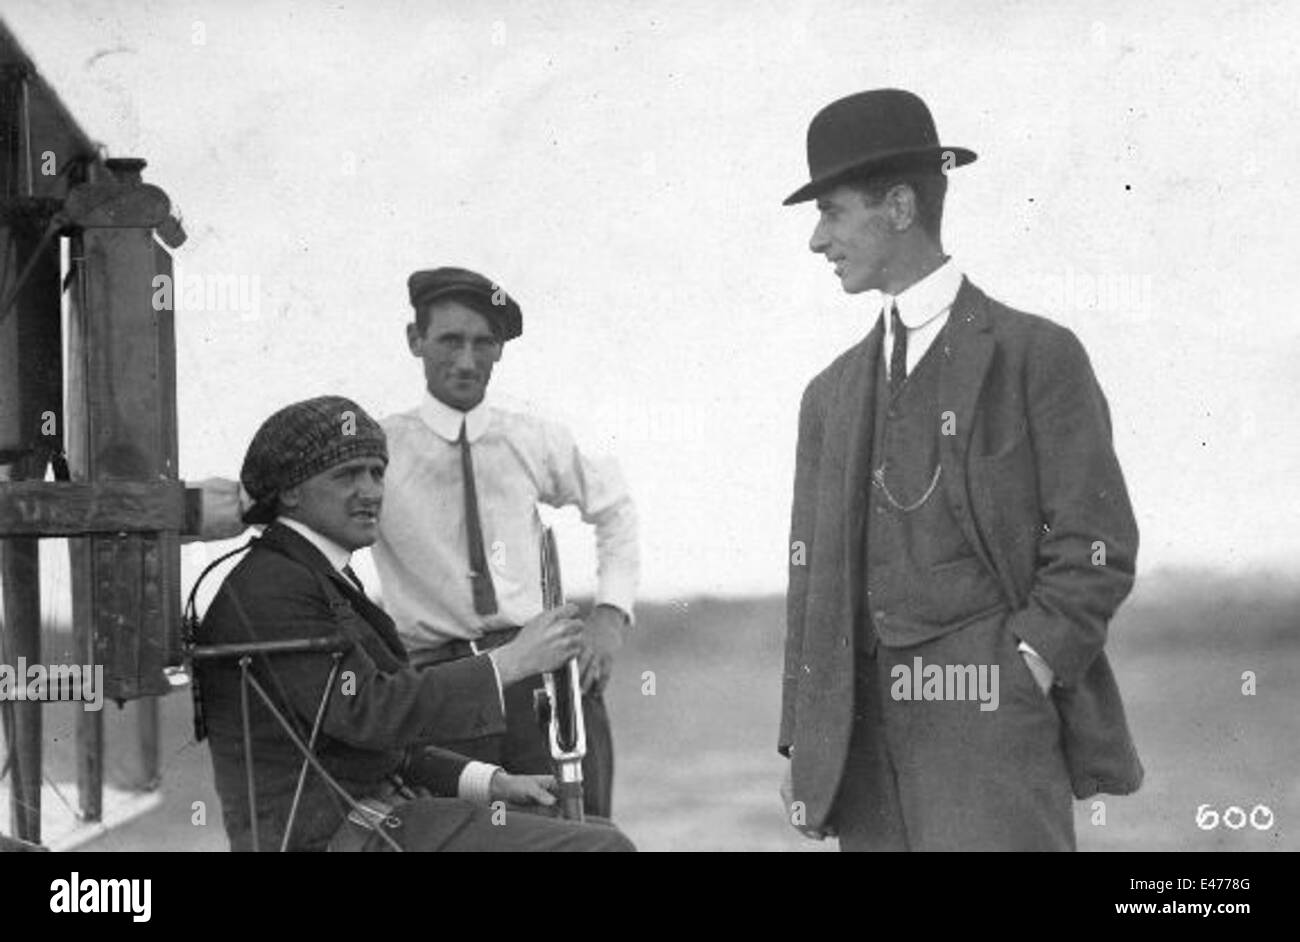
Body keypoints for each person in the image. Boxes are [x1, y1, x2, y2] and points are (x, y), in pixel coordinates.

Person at [778, 89, 1143, 851]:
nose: (818, 239)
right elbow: (810, 585)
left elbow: (1096, 543)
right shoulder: (829, 396)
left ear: (901, 206)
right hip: (862, 745)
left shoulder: (1034, 356)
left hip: (990, 717)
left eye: (834, 211)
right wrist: (804, 742)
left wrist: (1025, 671)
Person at [197, 395, 633, 851]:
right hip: (332, 835)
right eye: (346, 475)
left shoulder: (311, 574)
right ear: (290, 491)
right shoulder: (276, 586)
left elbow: (377, 740)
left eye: (376, 472)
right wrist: (510, 661)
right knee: (598, 850)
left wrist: (494, 783)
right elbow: (372, 713)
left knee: (599, 833)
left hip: (372, 816)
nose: (370, 491)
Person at [371, 267, 638, 818]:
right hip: (441, 690)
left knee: (577, 837)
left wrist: (610, 616)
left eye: (483, 343)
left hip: (543, 686)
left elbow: (614, 507)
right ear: (414, 341)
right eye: (449, 340)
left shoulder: (529, 438)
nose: (467, 361)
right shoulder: (381, 448)